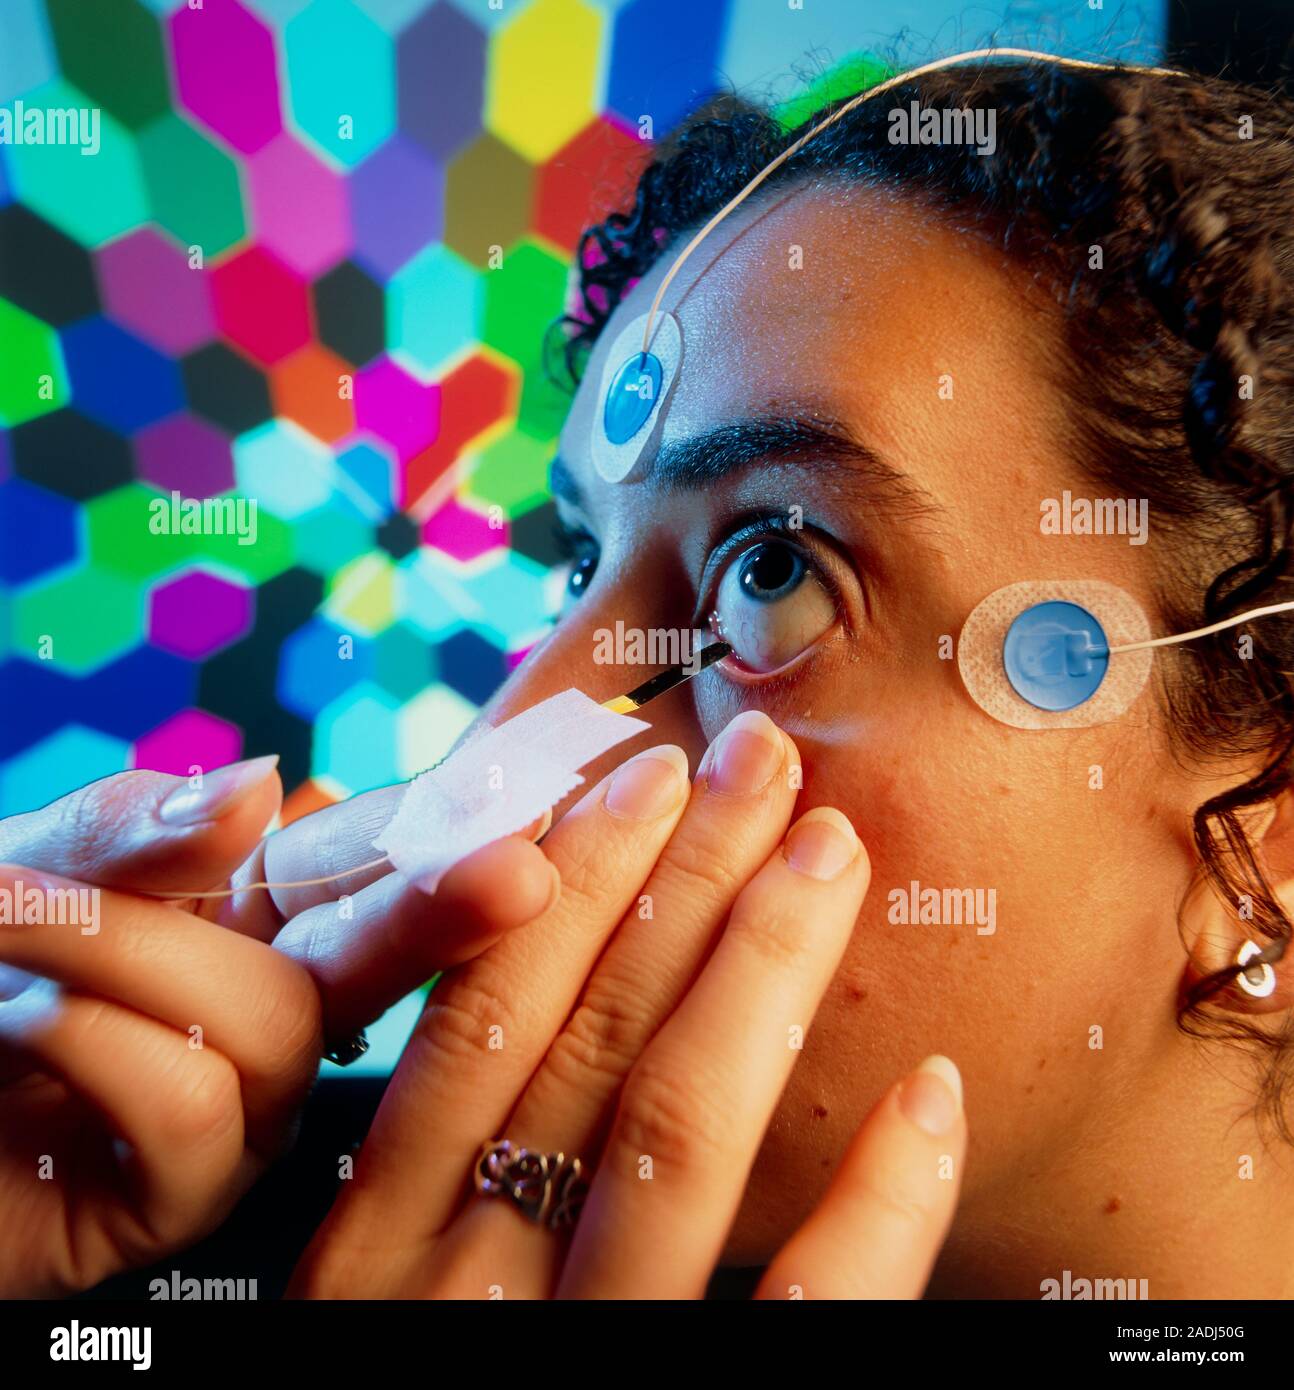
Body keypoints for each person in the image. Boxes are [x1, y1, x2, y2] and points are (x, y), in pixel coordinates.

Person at [2, 55, 1292, 1299]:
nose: (493, 764)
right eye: (580, 564)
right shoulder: (158, 1226)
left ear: (1272, 822)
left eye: (774, 573)